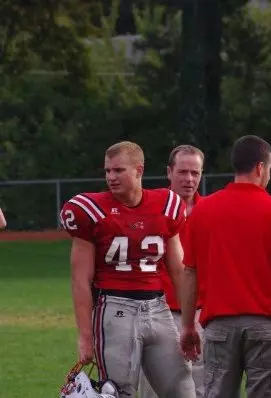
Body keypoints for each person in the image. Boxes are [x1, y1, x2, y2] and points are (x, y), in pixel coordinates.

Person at [59, 141, 195, 398]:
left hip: (158, 308)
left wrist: (188, 324)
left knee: (182, 389)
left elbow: (179, 270)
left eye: (119, 170)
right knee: (118, 392)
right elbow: (80, 278)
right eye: (108, 171)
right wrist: (85, 337)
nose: (111, 177)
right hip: (113, 308)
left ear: (138, 171)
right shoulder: (90, 209)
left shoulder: (167, 204)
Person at [180, 135, 271, 398]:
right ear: (261, 167)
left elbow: (190, 273)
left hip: (218, 327)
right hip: (265, 326)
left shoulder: (204, 212)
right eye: (270, 170)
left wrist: (187, 326)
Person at [139, 145, 205, 398]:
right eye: (183, 172)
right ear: (169, 172)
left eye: (195, 173)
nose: (189, 179)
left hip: (200, 313)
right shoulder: (149, 206)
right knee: (155, 390)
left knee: (201, 388)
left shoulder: (209, 210)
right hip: (159, 312)